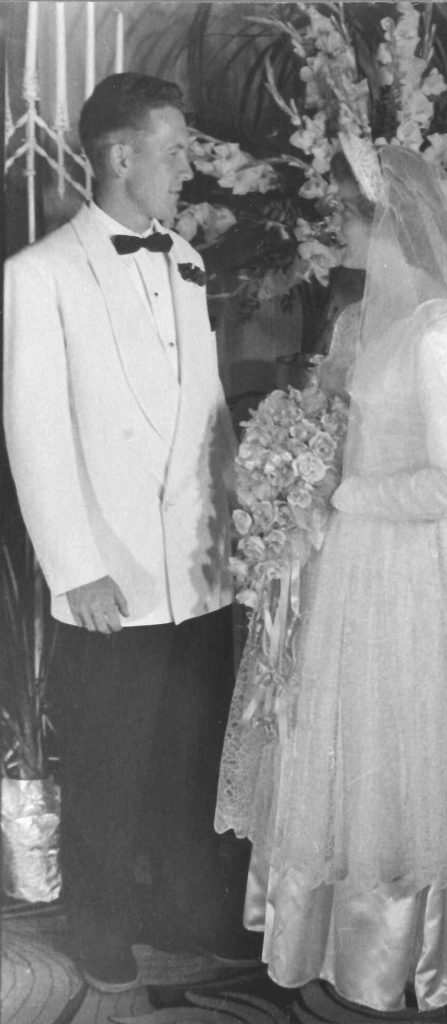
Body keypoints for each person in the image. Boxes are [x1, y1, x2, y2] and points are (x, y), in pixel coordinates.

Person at [215, 142, 447, 1012]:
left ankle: (402, 950)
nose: (332, 228)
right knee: (335, 744)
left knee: (400, 751)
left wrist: (342, 492)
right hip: (343, 565)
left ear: (389, 220)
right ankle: (322, 937)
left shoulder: (443, 331)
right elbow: (332, 424)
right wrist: (288, 470)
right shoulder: (356, 321)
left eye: (344, 213)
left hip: (408, 570)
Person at [3, 73, 255, 992]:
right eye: (176, 149)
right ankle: (98, 928)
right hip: (108, 573)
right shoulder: (37, 276)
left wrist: (237, 537)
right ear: (120, 156)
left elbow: (207, 416)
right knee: (110, 768)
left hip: (197, 571)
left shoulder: (184, 259)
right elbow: (34, 434)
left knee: (191, 760)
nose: (189, 167)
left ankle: (187, 909)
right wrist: (77, 569)